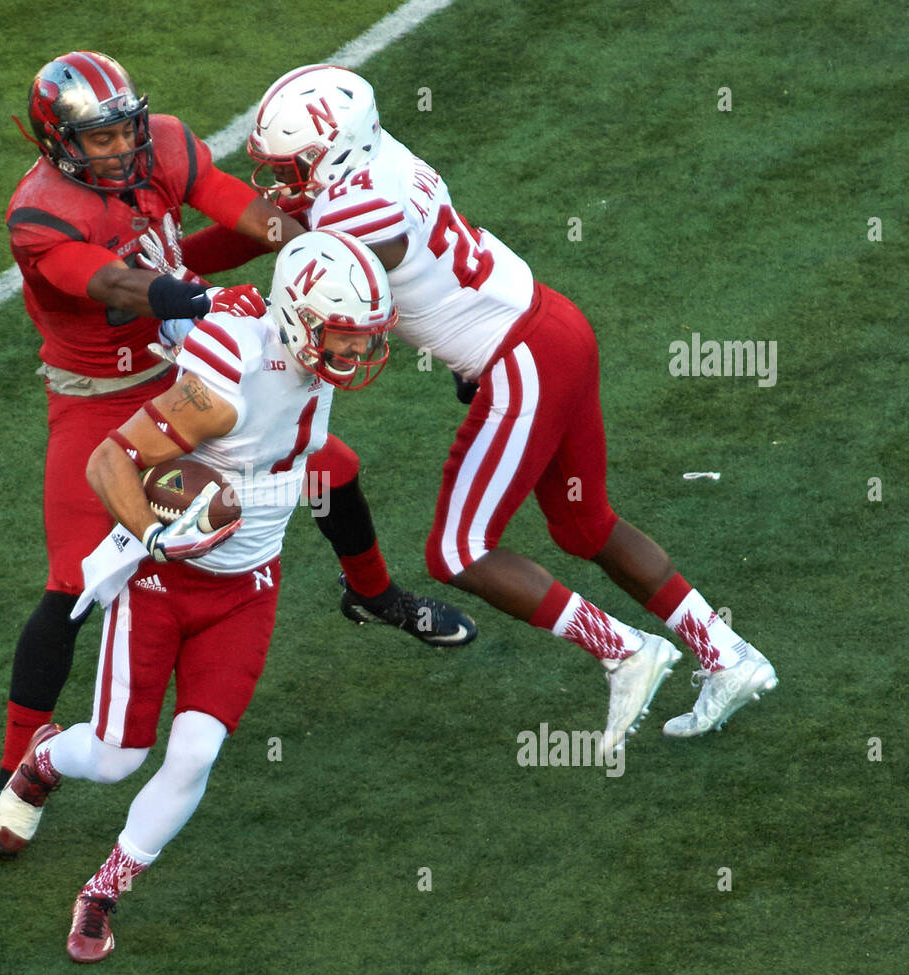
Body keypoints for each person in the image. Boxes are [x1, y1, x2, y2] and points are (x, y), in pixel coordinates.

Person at [0, 52, 475, 860]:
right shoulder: (39, 214)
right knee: (74, 582)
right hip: (105, 383)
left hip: (191, 354)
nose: (123, 144)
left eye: (125, 125)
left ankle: (373, 594)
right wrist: (195, 297)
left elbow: (246, 214)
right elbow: (114, 286)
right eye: (101, 136)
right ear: (59, 143)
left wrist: (310, 249)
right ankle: (12, 770)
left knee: (331, 469)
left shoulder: (163, 144)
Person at [234, 65, 777, 749]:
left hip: (520, 356)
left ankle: (624, 649)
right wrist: (181, 262)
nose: (281, 179)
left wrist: (186, 284)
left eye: (294, 164)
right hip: (552, 323)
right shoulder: (380, 161)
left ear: (335, 151)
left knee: (457, 549)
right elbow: (279, 224)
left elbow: (295, 257)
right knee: (585, 525)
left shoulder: (353, 210)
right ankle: (726, 653)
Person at [0, 230, 397, 962]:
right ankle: (44, 760)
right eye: (343, 336)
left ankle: (103, 888)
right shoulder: (223, 385)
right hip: (162, 580)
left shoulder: (274, 340)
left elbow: (229, 323)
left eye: (364, 338)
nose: (355, 354)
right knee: (119, 756)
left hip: (249, 583)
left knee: (195, 752)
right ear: (303, 320)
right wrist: (154, 535)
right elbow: (107, 458)